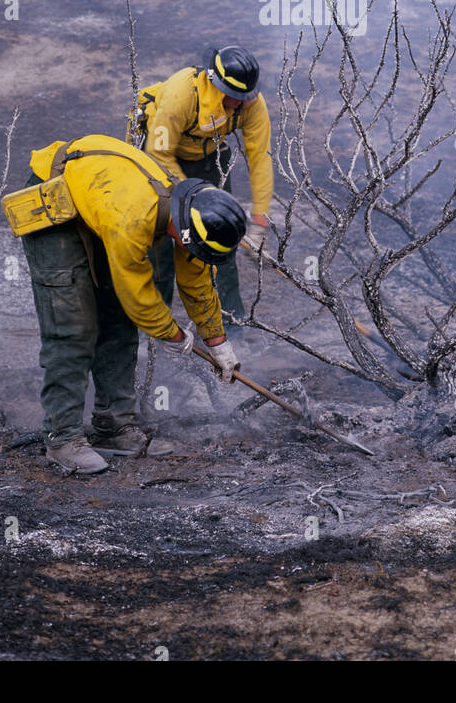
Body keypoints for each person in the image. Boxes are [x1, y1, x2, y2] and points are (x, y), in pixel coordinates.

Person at [18, 134, 246, 475]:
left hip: (99, 200)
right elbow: (137, 296)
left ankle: (113, 426)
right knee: (73, 328)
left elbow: (196, 278)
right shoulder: (136, 218)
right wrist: (172, 335)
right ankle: (63, 439)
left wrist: (217, 341)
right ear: (187, 231)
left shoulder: (188, 210)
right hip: (55, 198)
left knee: (118, 321)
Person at [127, 45, 272, 332]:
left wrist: (260, 219)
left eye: (244, 97)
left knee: (222, 237)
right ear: (215, 84)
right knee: (159, 244)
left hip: (209, 158)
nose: (239, 103)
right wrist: (194, 200)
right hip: (160, 158)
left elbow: (260, 160)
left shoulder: (251, 102)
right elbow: (159, 153)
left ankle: (230, 321)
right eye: (233, 96)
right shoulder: (182, 94)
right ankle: (155, 327)